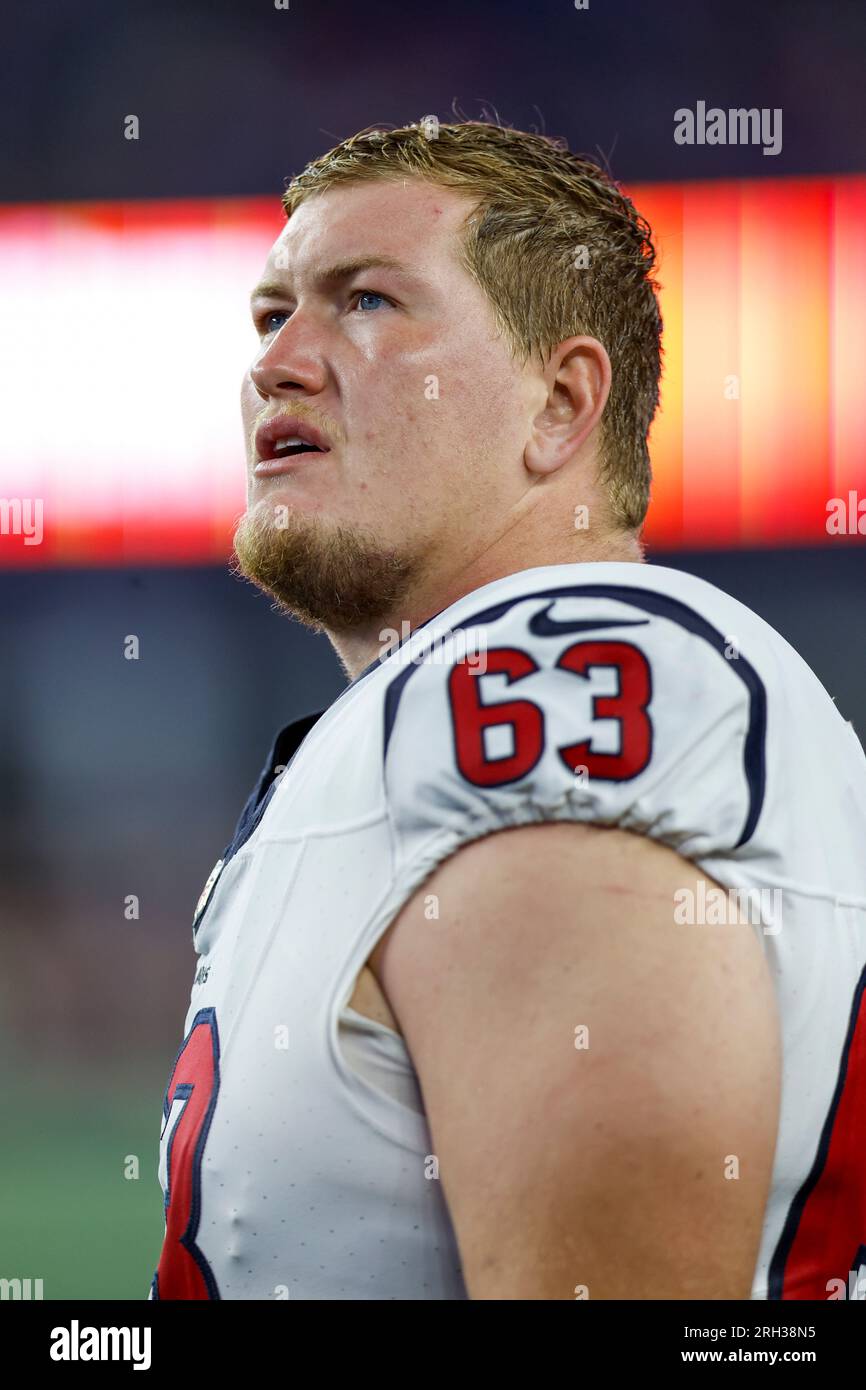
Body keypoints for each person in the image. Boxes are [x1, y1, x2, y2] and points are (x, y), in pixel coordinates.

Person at [150, 121, 866, 1300]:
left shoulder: (552, 677)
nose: (278, 361)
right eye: (271, 315)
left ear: (558, 404)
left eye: (367, 301)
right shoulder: (400, 731)